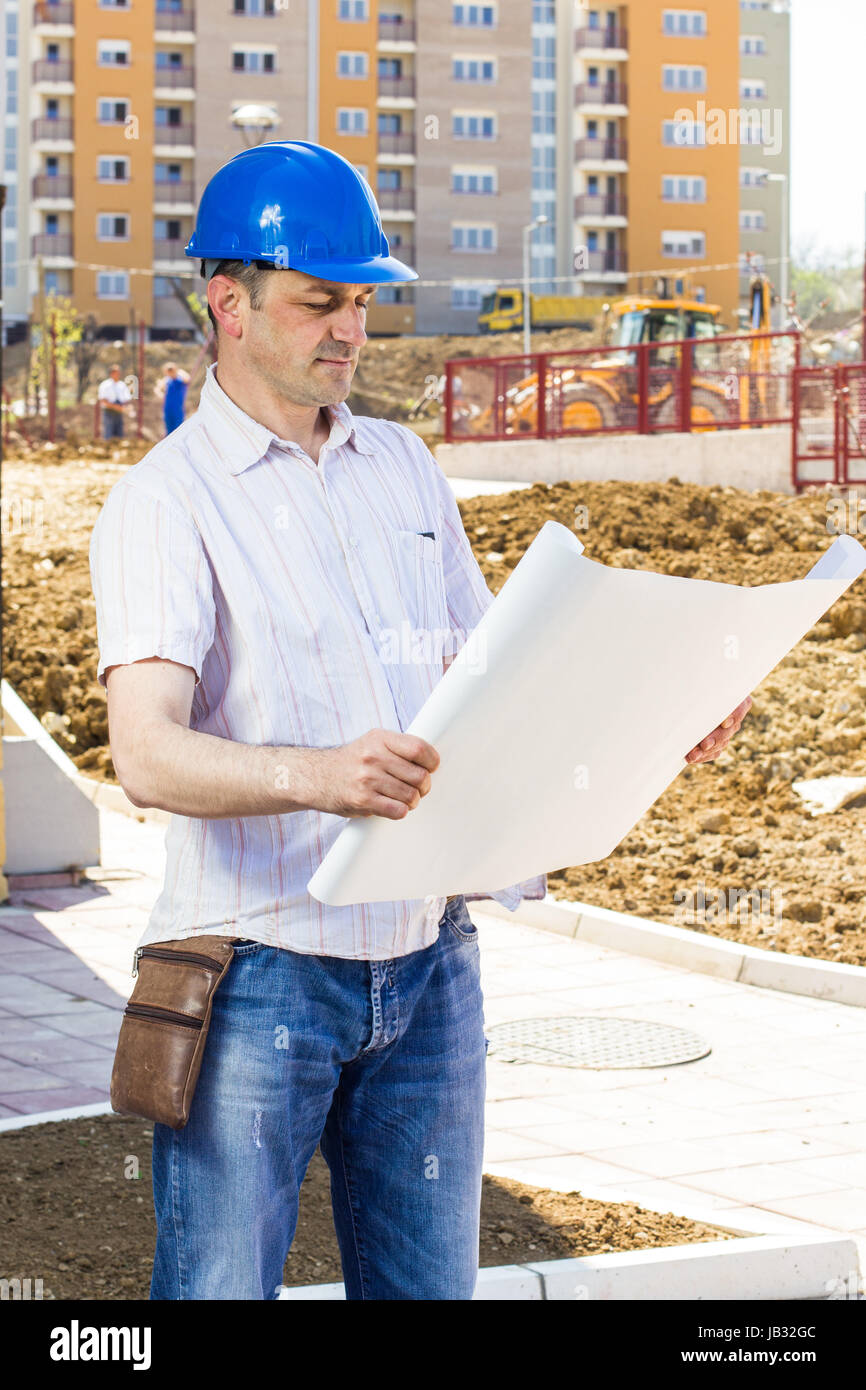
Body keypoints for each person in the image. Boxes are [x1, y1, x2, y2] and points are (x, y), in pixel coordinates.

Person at [88, 140, 752, 1302]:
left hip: (430, 969)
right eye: (317, 302)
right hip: (258, 976)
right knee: (216, 1289)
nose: (348, 328)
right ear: (227, 302)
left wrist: (660, 706)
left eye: (360, 302)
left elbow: (501, 674)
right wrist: (321, 776)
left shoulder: (400, 467)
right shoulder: (164, 503)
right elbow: (144, 753)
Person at [97, 363, 132, 440]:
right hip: (109, 412)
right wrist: (116, 407)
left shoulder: (122, 385)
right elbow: (103, 401)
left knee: (119, 435)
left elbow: (126, 399)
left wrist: (127, 408)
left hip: (119, 413)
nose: (118, 375)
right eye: (116, 373)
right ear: (111, 373)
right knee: (108, 435)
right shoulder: (105, 385)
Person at [154, 361, 190, 436]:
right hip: (168, 408)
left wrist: (177, 371)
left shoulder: (181, 379)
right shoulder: (167, 380)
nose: (170, 372)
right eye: (168, 370)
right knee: (168, 429)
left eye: (171, 370)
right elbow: (157, 389)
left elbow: (188, 378)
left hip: (178, 408)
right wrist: (160, 394)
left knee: (178, 429)